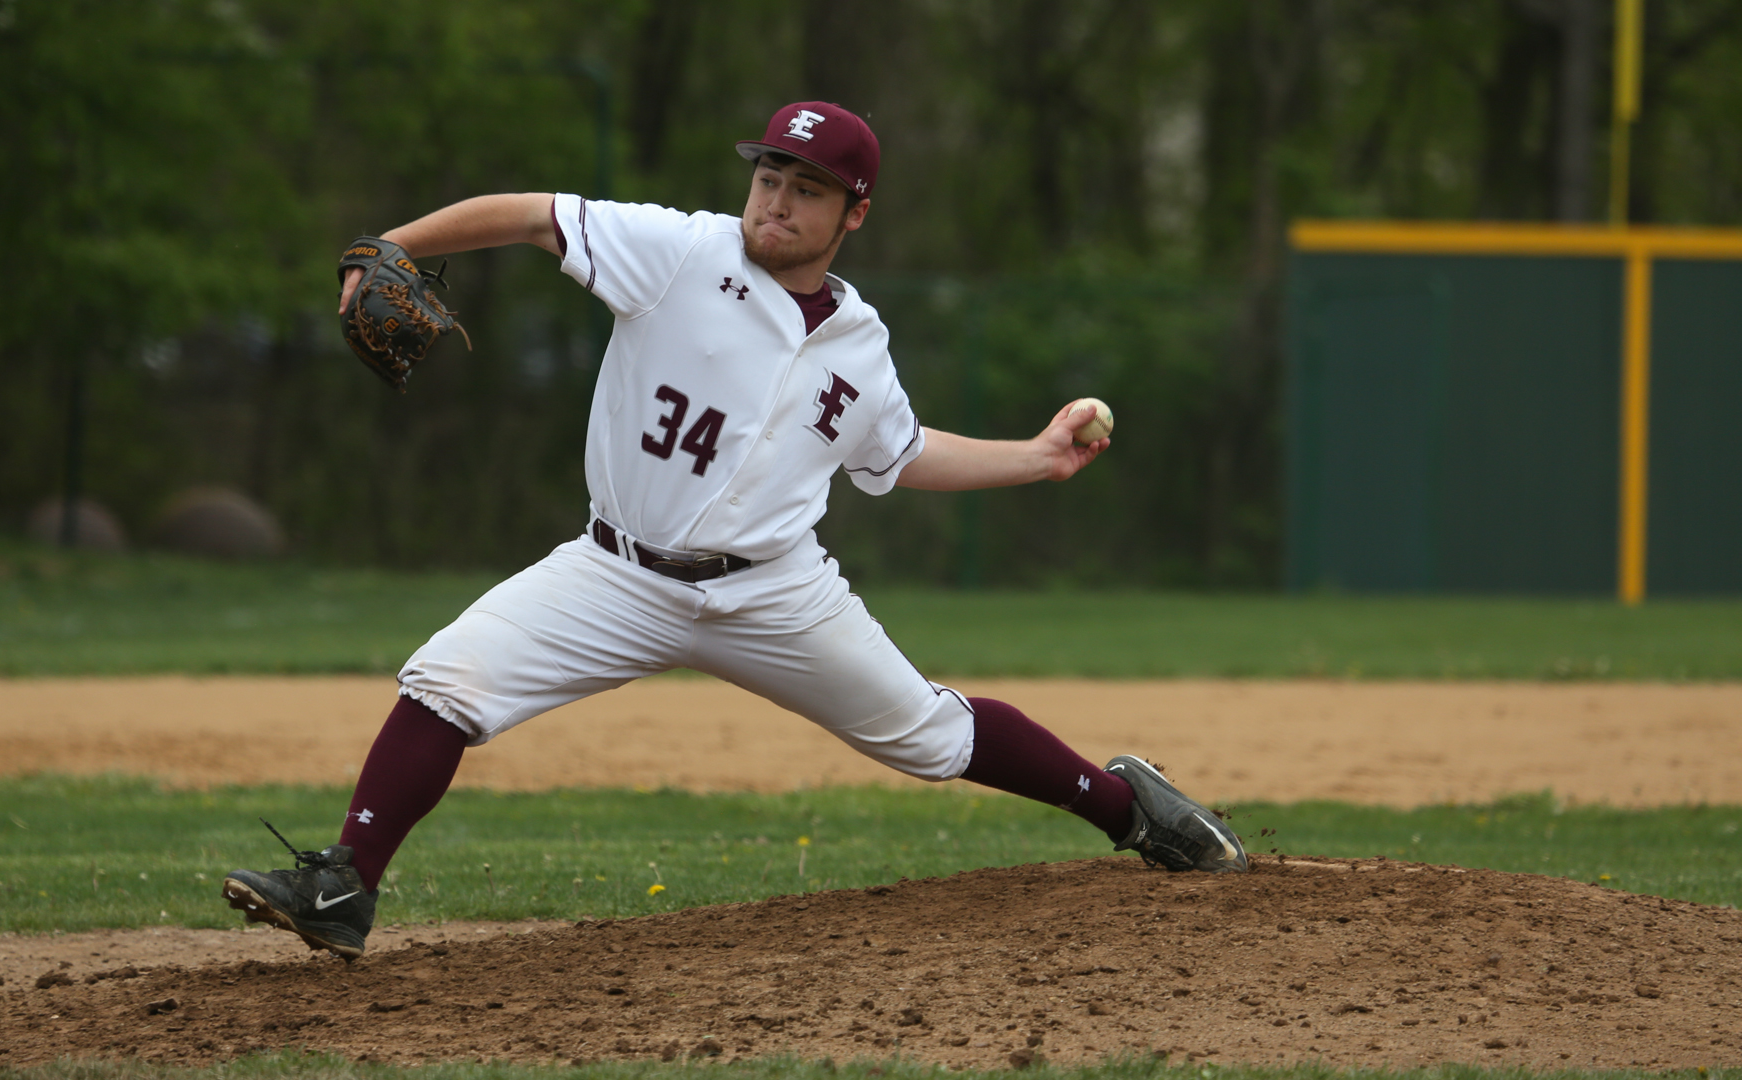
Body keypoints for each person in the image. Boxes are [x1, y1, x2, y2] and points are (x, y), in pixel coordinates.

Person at [222, 102, 1246, 961]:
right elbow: (533, 216)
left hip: (773, 591)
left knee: (930, 736)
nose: (776, 201)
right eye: (769, 177)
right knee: (448, 679)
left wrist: (1036, 456)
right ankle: (344, 887)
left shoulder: (861, 343)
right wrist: (392, 245)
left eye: (807, 190)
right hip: (615, 573)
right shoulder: (678, 251)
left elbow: (896, 456)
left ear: (855, 213)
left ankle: (1129, 809)